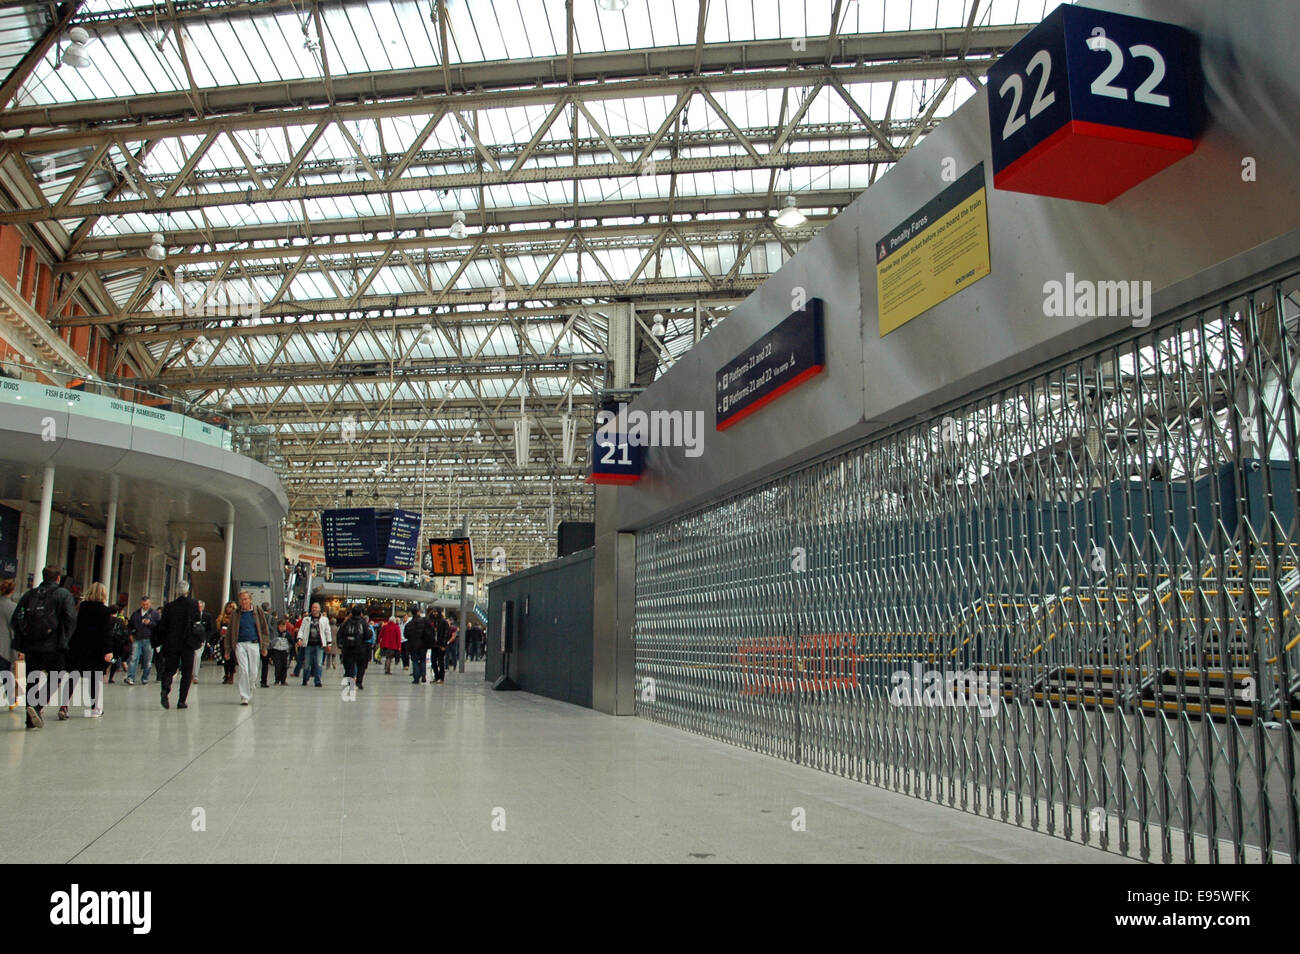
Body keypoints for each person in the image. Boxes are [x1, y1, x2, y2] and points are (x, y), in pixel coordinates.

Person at [11, 566, 77, 728]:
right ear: (58, 578)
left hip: (31, 645)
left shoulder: (29, 595)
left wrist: (24, 639)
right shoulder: (63, 594)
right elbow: (70, 618)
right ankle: (38, 704)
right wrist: (65, 639)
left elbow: (15, 619)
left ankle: (30, 719)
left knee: (31, 680)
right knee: (57, 676)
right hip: (54, 645)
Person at [66, 581, 114, 718]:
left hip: (79, 646)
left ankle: (64, 706)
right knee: (94, 679)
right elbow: (106, 633)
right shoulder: (105, 611)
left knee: (73, 677)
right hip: (96, 649)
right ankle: (95, 708)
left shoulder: (82, 607)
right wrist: (108, 650)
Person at [157, 580, 202, 710]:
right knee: (187, 671)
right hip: (187, 643)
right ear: (187, 591)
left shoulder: (169, 606)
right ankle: (181, 701)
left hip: (171, 642)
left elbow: (163, 626)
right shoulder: (193, 604)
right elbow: (197, 620)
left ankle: (165, 690)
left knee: (170, 669)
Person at [223, 590, 269, 706]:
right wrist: (227, 649)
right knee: (243, 670)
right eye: (241, 599)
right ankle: (244, 696)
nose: (243, 602)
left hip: (254, 643)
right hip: (240, 644)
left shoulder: (257, 612)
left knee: (253, 671)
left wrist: (264, 646)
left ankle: (250, 686)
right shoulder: (235, 614)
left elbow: (264, 629)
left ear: (250, 600)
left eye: (245, 599)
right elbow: (229, 632)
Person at [336, 605, 371, 695]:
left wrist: (340, 644)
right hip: (360, 648)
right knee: (361, 666)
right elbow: (367, 635)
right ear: (361, 613)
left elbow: (340, 634)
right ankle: (359, 682)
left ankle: (350, 683)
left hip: (348, 648)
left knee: (349, 666)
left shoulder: (346, 623)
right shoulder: (363, 623)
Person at [124, 595, 160, 686]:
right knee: (133, 658)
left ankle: (145, 677)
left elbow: (159, 627)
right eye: (143, 604)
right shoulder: (136, 613)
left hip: (149, 639)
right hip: (137, 638)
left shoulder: (155, 614)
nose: (145, 606)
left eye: (147, 604)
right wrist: (130, 635)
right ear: (141, 604)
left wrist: (150, 623)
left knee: (147, 660)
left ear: (150, 603)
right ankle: (130, 677)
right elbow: (130, 626)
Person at [296, 602, 331, 687]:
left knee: (319, 663)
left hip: (319, 645)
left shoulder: (324, 619)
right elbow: (301, 630)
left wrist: (329, 643)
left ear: (319, 609)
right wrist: (299, 639)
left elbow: (327, 631)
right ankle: (305, 678)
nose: (314, 609)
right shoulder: (306, 619)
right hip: (308, 644)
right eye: (313, 607)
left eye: (316, 607)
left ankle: (317, 680)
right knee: (307, 662)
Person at [0, 579, 17, 709]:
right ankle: (11, 700)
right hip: (5, 647)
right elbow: (14, 629)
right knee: (7, 673)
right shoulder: (12, 607)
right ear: (12, 591)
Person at [107, 602, 131, 683]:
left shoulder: (106, 620)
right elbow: (125, 632)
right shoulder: (121, 621)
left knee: (105, 658)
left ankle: (104, 670)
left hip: (108, 642)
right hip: (117, 644)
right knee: (114, 659)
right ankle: (111, 677)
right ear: (117, 612)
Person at [214, 601, 237, 684]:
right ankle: (226, 674)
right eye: (228, 607)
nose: (229, 608)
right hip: (223, 639)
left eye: (231, 607)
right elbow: (218, 627)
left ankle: (231, 675)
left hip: (233, 640)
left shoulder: (236, 618)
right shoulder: (221, 617)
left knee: (232, 658)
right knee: (225, 657)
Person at [191, 599, 213, 687]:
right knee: (191, 657)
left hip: (201, 639)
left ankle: (195, 675)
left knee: (197, 656)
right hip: (191, 639)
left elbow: (209, 629)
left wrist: (207, 640)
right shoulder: (191, 615)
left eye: (200, 607)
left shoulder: (207, 616)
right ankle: (189, 674)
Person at [405, 607, 428, 685]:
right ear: (418, 612)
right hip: (423, 645)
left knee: (414, 661)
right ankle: (423, 674)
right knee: (423, 660)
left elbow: (406, 635)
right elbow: (428, 633)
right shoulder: (424, 622)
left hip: (413, 645)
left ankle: (416, 678)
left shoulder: (409, 624)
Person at [268, 617, 293, 685]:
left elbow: (291, 642)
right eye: (281, 626)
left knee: (284, 666)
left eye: (284, 626)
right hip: (276, 652)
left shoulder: (287, 634)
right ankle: (277, 680)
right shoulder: (275, 634)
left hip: (284, 652)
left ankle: (283, 680)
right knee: (277, 666)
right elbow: (272, 643)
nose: (282, 628)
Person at [428, 608, 449, 684]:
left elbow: (446, 634)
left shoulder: (444, 622)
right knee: (433, 661)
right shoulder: (433, 621)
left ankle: (441, 678)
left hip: (441, 645)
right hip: (434, 644)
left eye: (436, 612)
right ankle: (436, 677)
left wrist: (444, 644)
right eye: (434, 612)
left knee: (441, 662)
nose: (435, 613)